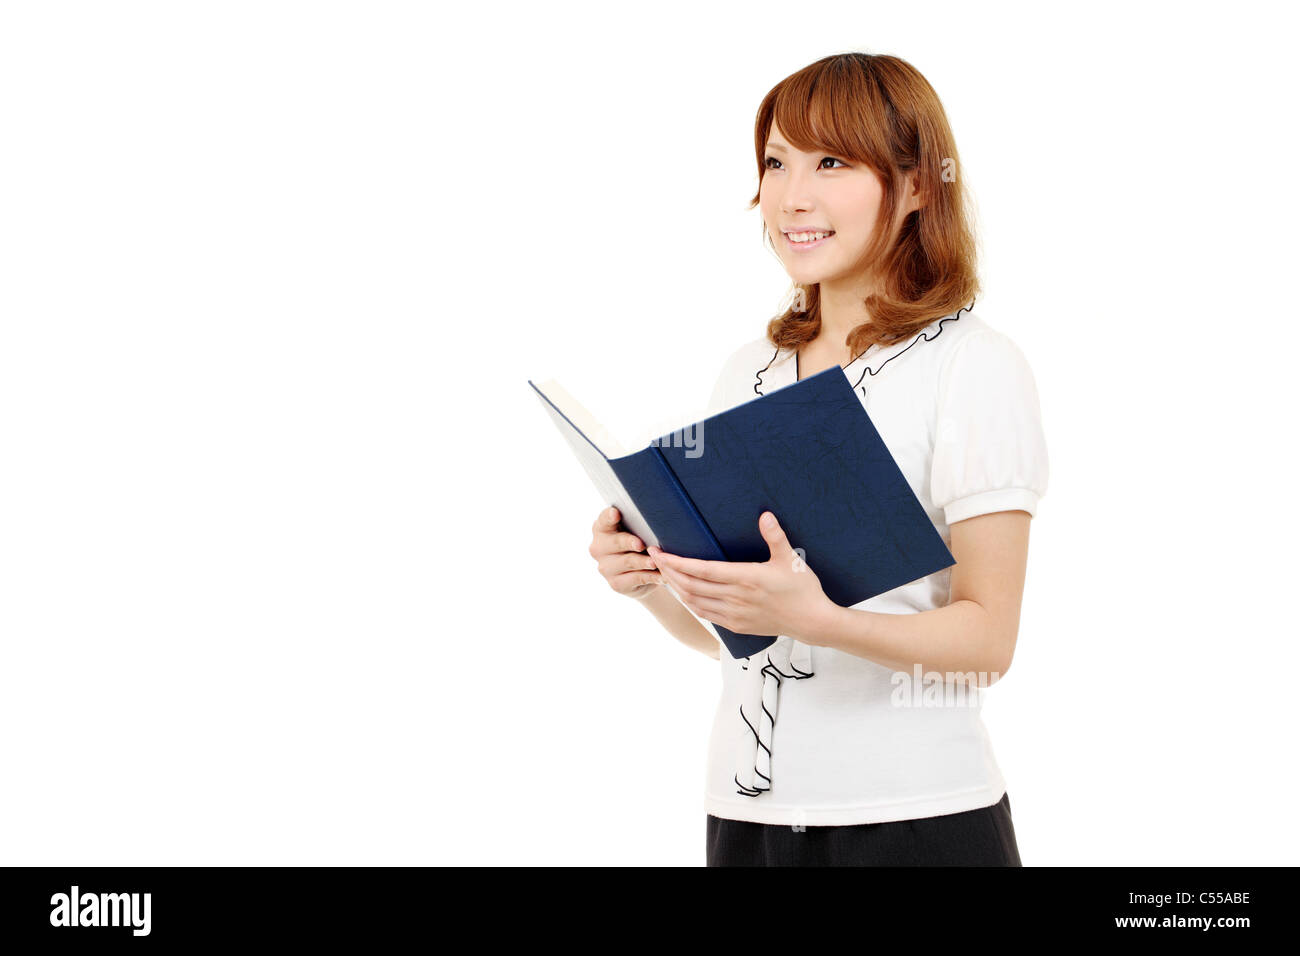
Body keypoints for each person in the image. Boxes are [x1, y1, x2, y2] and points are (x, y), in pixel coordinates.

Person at [587, 52, 1047, 866]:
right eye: (774, 163)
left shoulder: (970, 365)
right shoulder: (751, 368)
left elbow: (988, 641)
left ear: (913, 186)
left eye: (831, 161)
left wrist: (821, 619)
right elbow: (744, 637)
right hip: (749, 816)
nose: (791, 196)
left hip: (916, 816)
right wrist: (651, 585)